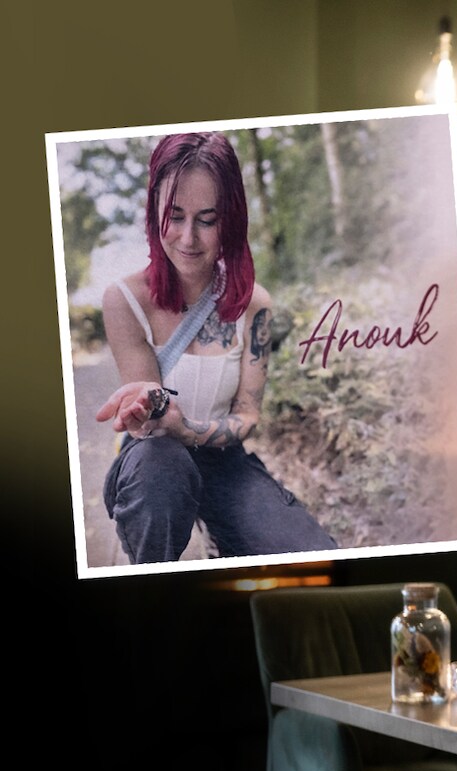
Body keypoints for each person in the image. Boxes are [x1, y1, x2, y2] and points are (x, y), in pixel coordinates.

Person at [95, 131, 336, 564]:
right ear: (154, 212)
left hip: (224, 458)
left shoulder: (254, 306)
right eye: (175, 215)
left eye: (207, 219)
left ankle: (225, 533)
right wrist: (148, 406)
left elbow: (247, 414)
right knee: (159, 478)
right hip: (153, 452)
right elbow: (149, 413)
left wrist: (192, 430)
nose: (188, 238)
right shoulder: (123, 299)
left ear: (231, 220)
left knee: (312, 554)